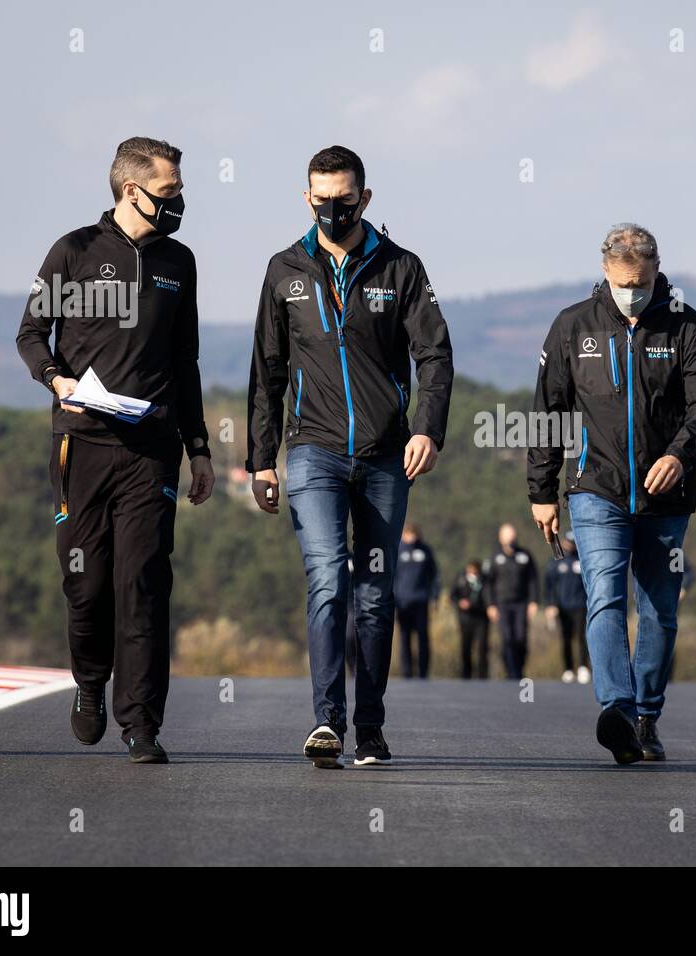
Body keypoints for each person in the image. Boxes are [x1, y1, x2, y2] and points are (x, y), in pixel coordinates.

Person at [246, 145, 453, 768]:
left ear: (364, 198)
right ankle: (327, 721)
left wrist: (428, 430)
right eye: (319, 199)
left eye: (341, 200)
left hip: (388, 455)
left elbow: (435, 356)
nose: (330, 210)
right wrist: (260, 459)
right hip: (313, 452)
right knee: (328, 579)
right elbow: (268, 370)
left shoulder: (402, 268)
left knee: (374, 594)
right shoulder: (284, 271)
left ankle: (371, 725)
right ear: (305, 197)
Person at [16, 136, 214, 764]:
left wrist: (199, 448)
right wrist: (56, 379)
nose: (179, 200)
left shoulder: (179, 262)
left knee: (144, 582)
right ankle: (89, 680)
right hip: (82, 444)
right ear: (134, 190)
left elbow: (186, 362)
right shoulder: (73, 252)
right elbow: (29, 332)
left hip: (151, 450)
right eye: (170, 191)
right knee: (87, 583)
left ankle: (141, 724)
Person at [527, 223, 696, 764]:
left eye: (641, 282)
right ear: (605, 272)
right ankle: (616, 706)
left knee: (660, 610)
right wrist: (541, 491)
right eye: (622, 282)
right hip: (595, 491)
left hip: (667, 499)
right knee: (604, 595)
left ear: (657, 271)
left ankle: (646, 717)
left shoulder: (686, 325)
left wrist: (679, 456)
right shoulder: (572, 327)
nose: (632, 292)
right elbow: (548, 414)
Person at [482, 524, 539, 680]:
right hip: (501, 604)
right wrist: (490, 605)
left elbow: (533, 580)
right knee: (507, 638)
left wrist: (534, 601)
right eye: (507, 536)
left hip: (521, 603)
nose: (510, 540)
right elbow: (487, 584)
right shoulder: (494, 557)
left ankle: (519, 670)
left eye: (512, 536)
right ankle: (510, 672)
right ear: (501, 538)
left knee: (521, 637)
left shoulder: (525, 555)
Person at [393, 523, 440, 678]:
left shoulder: (425, 550)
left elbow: (433, 575)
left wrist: (435, 596)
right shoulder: (397, 550)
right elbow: (392, 576)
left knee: (423, 637)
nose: (412, 538)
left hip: (421, 600)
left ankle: (423, 672)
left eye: (414, 535)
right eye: (409, 535)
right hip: (403, 601)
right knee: (404, 637)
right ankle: (407, 672)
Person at [544, 531, 590, 684]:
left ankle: (583, 667)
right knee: (566, 638)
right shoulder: (556, 561)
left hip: (580, 605)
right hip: (562, 606)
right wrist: (550, 604)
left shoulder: (582, 560)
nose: (570, 545)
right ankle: (568, 669)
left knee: (582, 637)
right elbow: (549, 585)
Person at [450, 561, 490, 680]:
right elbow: (453, 595)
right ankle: (466, 675)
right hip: (465, 618)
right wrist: (460, 603)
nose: (473, 574)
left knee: (482, 647)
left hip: (481, 618)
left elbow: (489, 597)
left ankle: (483, 675)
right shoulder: (460, 579)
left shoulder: (484, 581)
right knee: (466, 647)